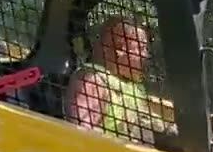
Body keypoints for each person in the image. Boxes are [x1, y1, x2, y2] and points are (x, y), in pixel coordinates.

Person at [67, 13, 164, 142]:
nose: (146, 55)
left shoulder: (129, 83)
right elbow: (79, 132)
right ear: (120, 49)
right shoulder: (92, 81)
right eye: (142, 48)